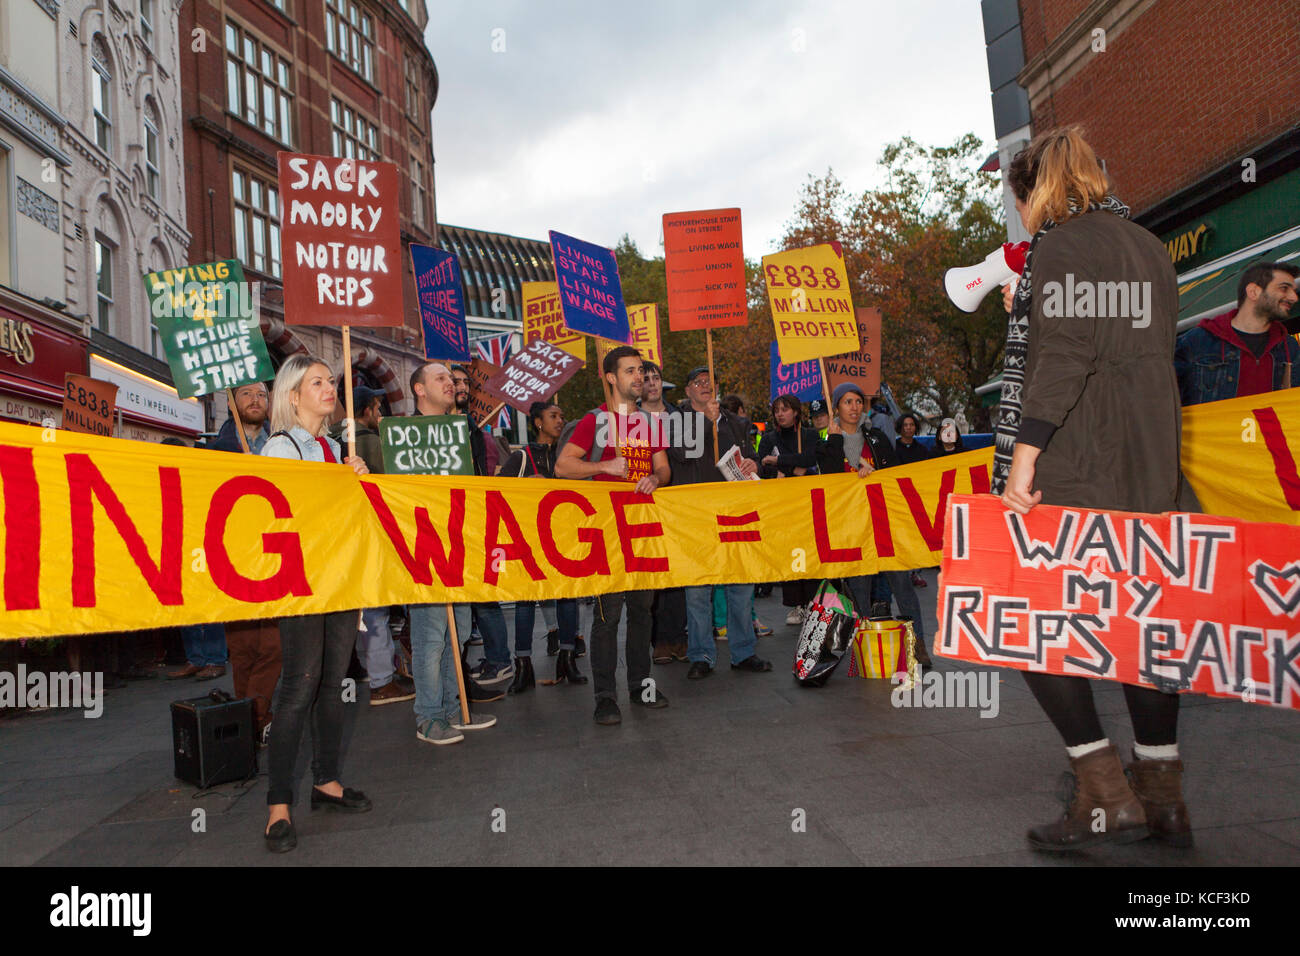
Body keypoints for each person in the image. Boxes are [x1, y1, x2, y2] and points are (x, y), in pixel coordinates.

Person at [998, 127, 1186, 851]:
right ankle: (1164, 796)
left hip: (1078, 468)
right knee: (1142, 631)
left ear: (1035, 189)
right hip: (1149, 468)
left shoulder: (1064, 245)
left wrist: (1023, 458)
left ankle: (1103, 790)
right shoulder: (1148, 245)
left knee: (1027, 628)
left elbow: (1067, 357)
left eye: (1021, 201)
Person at [260, 354, 373, 853]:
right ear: (292, 396)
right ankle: (278, 807)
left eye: (332, 381)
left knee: (333, 683)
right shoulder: (280, 450)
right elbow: (277, 519)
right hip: (302, 585)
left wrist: (359, 481)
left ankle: (326, 782)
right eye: (317, 382)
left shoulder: (334, 447)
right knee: (298, 687)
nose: (330, 388)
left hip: (340, 579)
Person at [555, 346, 672, 725]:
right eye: (629, 371)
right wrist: (604, 464)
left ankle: (642, 686)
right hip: (607, 534)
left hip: (643, 531)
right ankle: (605, 696)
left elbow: (664, 469)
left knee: (643, 612)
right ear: (610, 378)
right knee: (608, 618)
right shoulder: (593, 421)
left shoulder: (650, 424)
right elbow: (563, 466)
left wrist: (656, 478)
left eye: (640, 370)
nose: (638, 377)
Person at [405, 361, 500, 746]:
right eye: (441, 378)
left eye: (453, 378)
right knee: (430, 637)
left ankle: (451, 709)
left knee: (458, 631)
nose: (452, 384)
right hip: (425, 547)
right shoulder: (402, 434)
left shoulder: (466, 431)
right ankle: (428, 717)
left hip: (461, 541)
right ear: (419, 390)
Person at [815, 382, 932, 667]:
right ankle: (865, 645)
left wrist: (875, 472)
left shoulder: (878, 438)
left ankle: (918, 645)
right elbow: (828, 475)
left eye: (858, 401)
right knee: (859, 589)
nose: (854, 407)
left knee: (902, 586)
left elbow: (893, 476)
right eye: (847, 402)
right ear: (837, 408)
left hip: (883, 525)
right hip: (853, 528)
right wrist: (833, 442)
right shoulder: (827, 442)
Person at [669, 366, 772, 679]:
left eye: (709, 382)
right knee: (698, 592)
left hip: (734, 513)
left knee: (740, 587)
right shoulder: (677, 421)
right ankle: (701, 655)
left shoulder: (737, 422)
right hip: (696, 515)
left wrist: (755, 462)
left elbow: (751, 458)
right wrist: (704, 422)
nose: (704, 387)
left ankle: (743, 651)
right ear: (687, 391)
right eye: (697, 382)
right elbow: (682, 454)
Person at [500, 400, 586, 692]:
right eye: (553, 416)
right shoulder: (522, 457)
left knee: (567, 597)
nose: (560, 420)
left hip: (562, 538)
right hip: (530, 541)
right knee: (526, 601)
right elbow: (497, 490)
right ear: (538, 422)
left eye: (562, 415)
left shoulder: (570, 456)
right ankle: (523, 665)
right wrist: (526, 487)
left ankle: (567, 657)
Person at [346, 385, 415, 706]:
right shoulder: (372, 443)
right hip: (372, 535)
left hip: (346, 537)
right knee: (375, 613)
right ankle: (382, 681)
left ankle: (372, 673)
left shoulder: (333, 437)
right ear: (368, 410)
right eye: (377, 408)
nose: (381, 415)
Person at [1174, 261, 1299, 406]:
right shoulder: (1196, 342)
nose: (1294, 298)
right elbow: (1162, 404)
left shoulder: (1290, 349)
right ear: (1254, 292)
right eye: (1284, 288)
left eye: (1294, 291)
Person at [640, 361, 689, 664]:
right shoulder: (629, 419)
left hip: (679, 502)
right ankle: (658, 640)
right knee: (654, 575)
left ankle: (679, 638)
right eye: (645, 379)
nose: (652, 383)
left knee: (680, 572)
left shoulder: (680, 417)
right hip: (647, 503)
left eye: (656, 378)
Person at [758, 394, 820, 625]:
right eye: (777, 410)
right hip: (782, 505)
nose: (780, 414)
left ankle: (813, 601)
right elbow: (764, 467)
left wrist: (779, 461)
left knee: (810, 551)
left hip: (807, 502)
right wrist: (793, 467)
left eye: (785, 409)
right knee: (791, 553)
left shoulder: (809, 435)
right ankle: (796, 605)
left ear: (795, 411)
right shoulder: (768, 438)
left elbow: (810, 458)